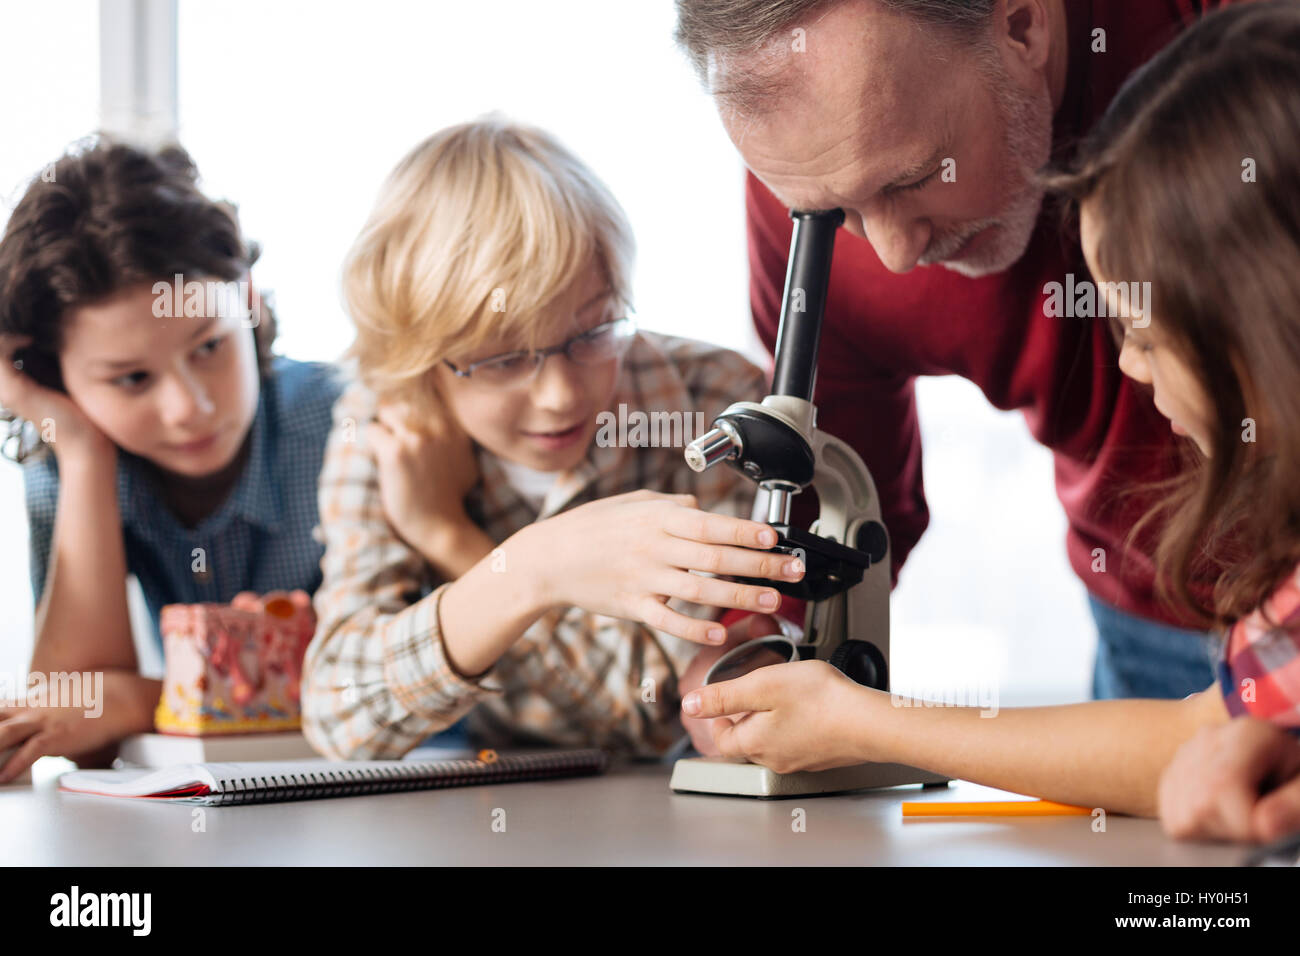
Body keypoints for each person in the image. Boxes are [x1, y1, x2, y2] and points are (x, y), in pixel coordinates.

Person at [681, 1, 1300, 840]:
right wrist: (764, 649)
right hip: (1161, 608)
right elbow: (850, 524)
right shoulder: (813, 180)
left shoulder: (1253, 67)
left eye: (905, 180)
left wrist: (858, 720)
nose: (892, 255)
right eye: (840, 214)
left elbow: (1199, 739)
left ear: (1021, 24)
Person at [302, 117, 804, 760]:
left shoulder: (714, 404)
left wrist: (462, 544)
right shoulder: (388, 427)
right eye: (505, 359)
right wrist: (528, 571)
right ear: (421, 357)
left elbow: (648, 713)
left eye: (592, 333)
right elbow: (339, 715)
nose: (560, 395)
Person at [0, 139, 341, 781]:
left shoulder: (342, 425)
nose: (189, 407)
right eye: (131, 379)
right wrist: (82, 451)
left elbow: (379, 694)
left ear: (246, 298)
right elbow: (74, 722)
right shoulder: (73, 456)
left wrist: (138, 698)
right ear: (57, 382)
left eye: (210, 345)